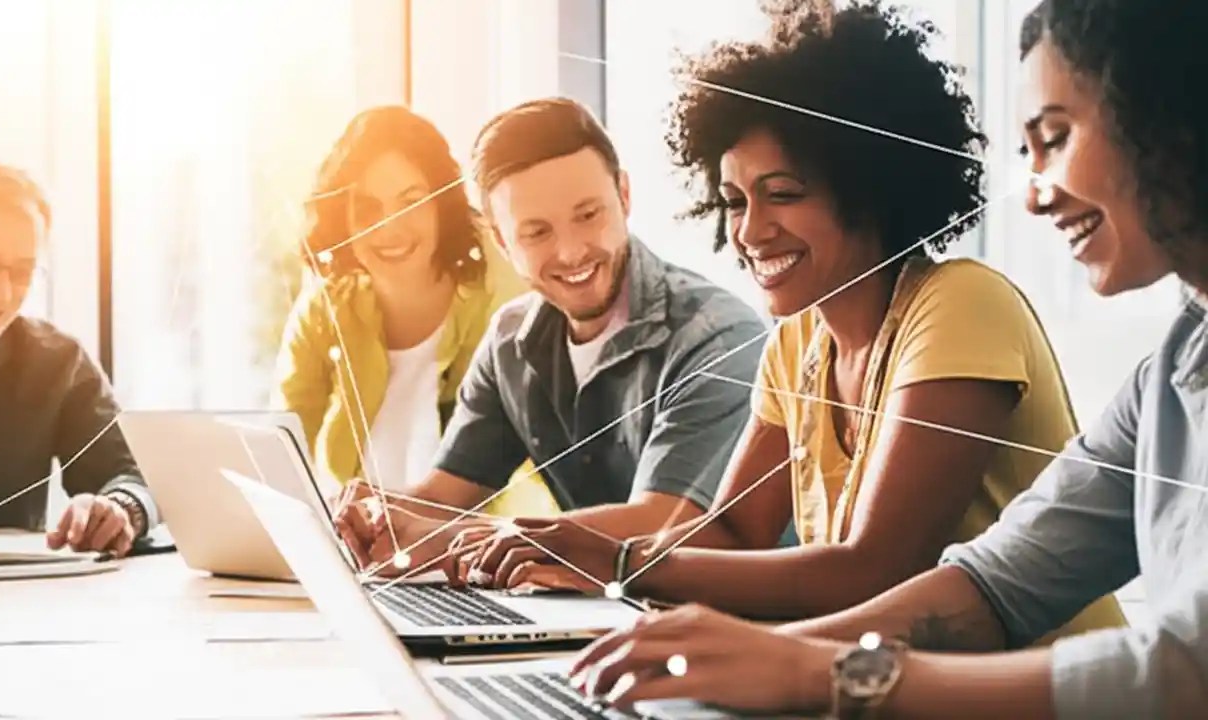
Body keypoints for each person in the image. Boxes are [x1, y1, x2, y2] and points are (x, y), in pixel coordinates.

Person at [569, 0, 1208, 718]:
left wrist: (817, 671)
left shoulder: (961, 303)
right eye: (735, 202)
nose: (1032, 195)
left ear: (1168, 112)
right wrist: (739, 659)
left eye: (1054, 138)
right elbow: (990, 587)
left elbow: (1187, 670)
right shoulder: (1171, 371)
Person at [458, 0, 1120, 639]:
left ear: (868, 187)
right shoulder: (797, 345)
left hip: (1046, 689)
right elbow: (733, 532)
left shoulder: (961, 305)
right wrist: (573, 554)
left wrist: (620, 562)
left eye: (782, 194)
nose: (750, 231)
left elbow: (875, 570)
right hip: (884, 683)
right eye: (734, 201)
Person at [333, 97, 765, 575]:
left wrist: (463, 538)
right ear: (501, 240)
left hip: (721, 610)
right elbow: (442, 500)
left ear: (623, 195)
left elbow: (667, 523)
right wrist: (370, 516)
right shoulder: (511, 342)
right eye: (537, 232)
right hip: (596, 607)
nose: (572, 252)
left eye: (589, 215)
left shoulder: (720, 339)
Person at [273, 106, 552, 517]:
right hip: (358, 547)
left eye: (411, 202)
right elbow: (280, 450)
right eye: (367, 207)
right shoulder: (327, 308)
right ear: (343, 218)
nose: (389, 228)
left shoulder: (505, 299)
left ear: (441, 205)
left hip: (486, 546)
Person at [0, 162, 155, 556]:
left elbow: (132, 475)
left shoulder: (58, 363)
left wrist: (118, 507)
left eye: (22, 272)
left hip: (11, 591)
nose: (0, 293)